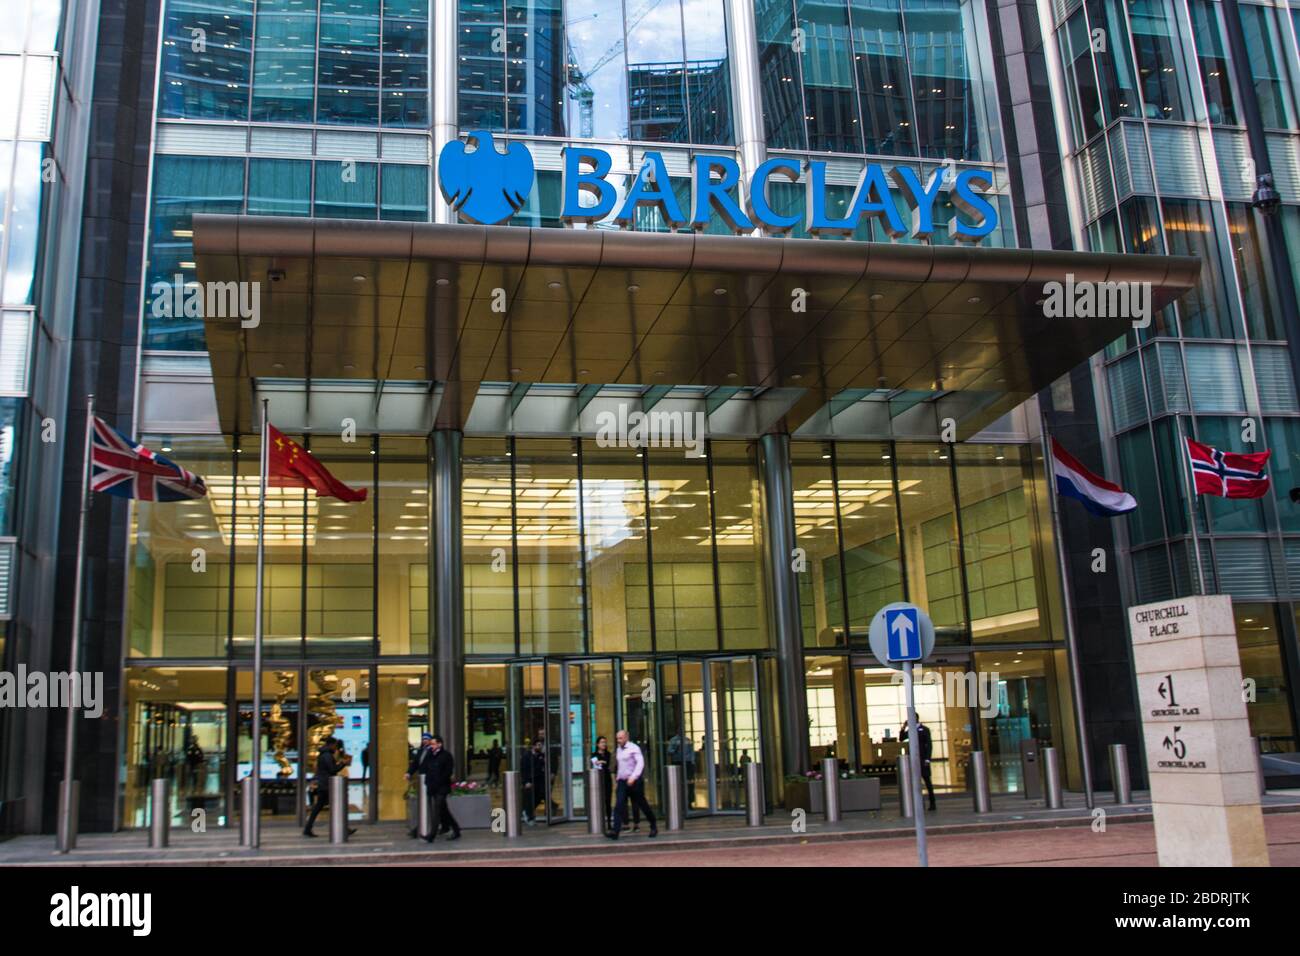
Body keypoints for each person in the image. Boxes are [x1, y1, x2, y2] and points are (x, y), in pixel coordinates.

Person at [606, 729, 657, 840]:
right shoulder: (619, 749)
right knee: (619, 805)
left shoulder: (634, 748)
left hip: (634, 781)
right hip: (622, 782)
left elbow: (640, 763)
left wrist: (633, 777)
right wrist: (618, 778)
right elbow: (620, 766)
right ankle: (615, 831)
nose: (618, 740)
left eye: (620, 738)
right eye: (617, 738)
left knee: (642, 804)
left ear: (626, 737)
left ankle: (653, 824)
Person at [412, 734, 461, 842]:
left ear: (440, 744)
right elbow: (423, 768)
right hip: (432, 787)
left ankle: (431, 835)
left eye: (433, 744)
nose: (431, 746)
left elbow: (448, 772)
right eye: (431, 744)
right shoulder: (430, 755)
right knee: (444, 811)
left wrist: (439, 781)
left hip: (442, 787)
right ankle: (456, 830)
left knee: (437, 810)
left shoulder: (446, 756)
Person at [304, 737, 356, 838]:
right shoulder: (327, 755)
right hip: (326, 785)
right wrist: (343, 763)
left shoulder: (324, 754)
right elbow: (332, 770)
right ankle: (344, 829)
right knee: (336, 806)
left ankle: (308, 828)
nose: (336, 747)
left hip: (324, 784)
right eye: (335, 745)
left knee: (319, 807)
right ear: (331, 744)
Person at [900, 719, 937, 812]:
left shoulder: (924, 729)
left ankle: (932, 803)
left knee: (927, 781)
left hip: (923, 759)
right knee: (915, 782)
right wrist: (903, 727)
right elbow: (901, 738)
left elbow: (929, 744)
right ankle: (919, 803)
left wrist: (928, 758)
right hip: (913, 760)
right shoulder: (910, 730)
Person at [406, 732, 434, 838]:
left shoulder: (433, 751)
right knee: (425, 806)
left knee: (435, 807)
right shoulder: (421, 751)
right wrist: (409, 773)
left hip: (430, 781)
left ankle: (428, 828)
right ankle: (418, 829)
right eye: (423, 739)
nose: (424, 741)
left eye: (427, 739)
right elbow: (415, 764)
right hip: (422, 781)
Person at [590, 735, 615, 830]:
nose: (604, 744)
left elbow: (609, 765)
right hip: (598, 780)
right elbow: (595, 765)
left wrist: (601, 762)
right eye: (601, 742)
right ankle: (600, 822)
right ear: (597, 744)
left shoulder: (608, 754)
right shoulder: (594, 755)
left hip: (607, 779)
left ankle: (609, 822)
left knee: (608, 801)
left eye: (605, 742)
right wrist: (601, 762)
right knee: (599, 801)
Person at [521, 739, 547, 824]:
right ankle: (529, 817)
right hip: (530, 780)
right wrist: (526, 781)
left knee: (539, 796)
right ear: (534, 746)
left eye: (541, 745)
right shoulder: (526, 756)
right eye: (538, 745)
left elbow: (542, 767)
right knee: (529, 799)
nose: (540, 747)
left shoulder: (541, 755)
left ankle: (526, 811)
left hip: (538, 780)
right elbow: (524, 770)